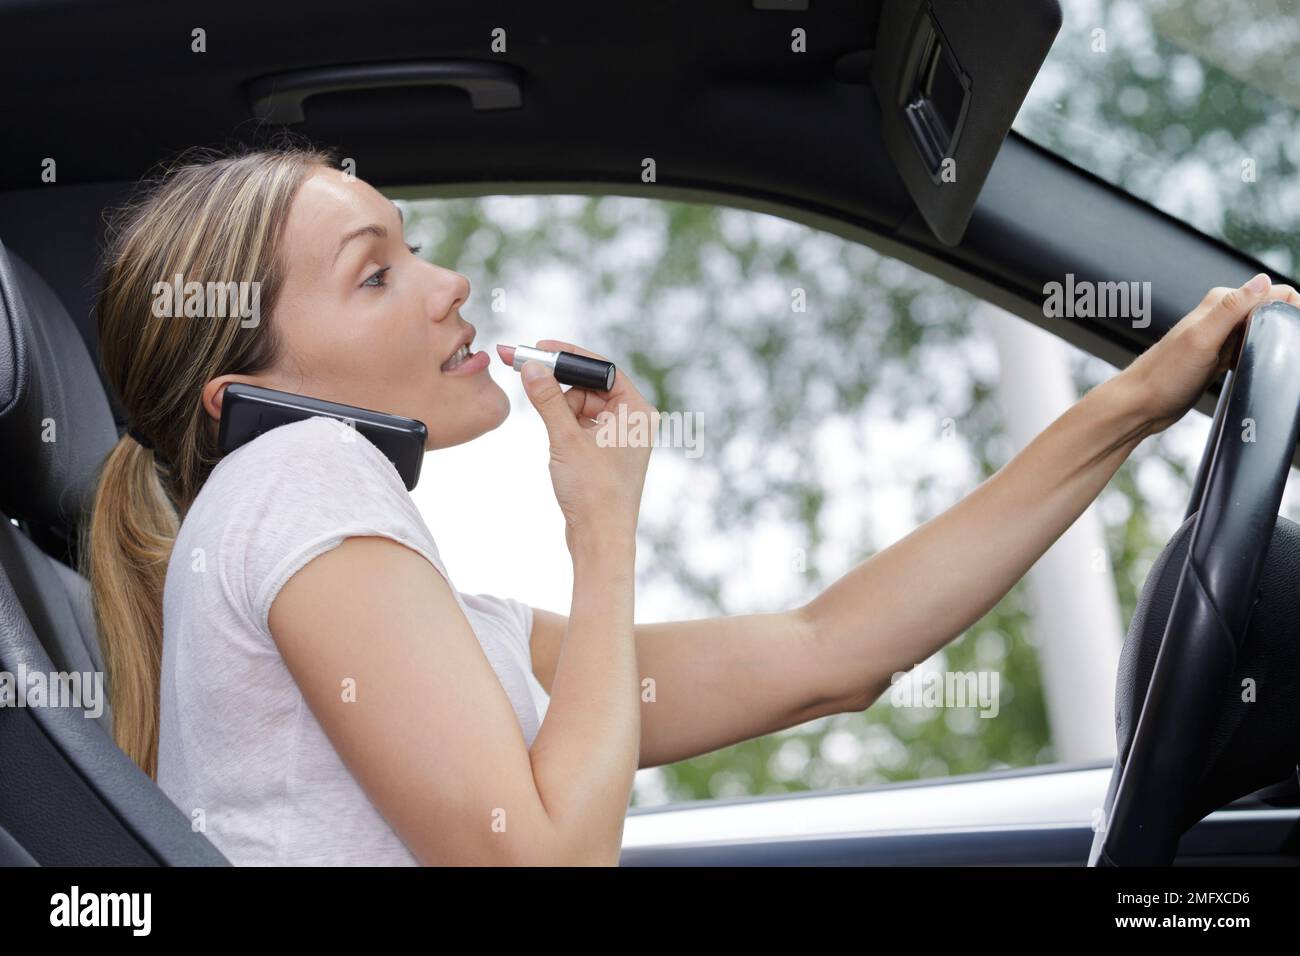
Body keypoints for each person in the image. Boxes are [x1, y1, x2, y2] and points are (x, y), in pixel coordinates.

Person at [83, 140, 1300, 865]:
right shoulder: (294, 474)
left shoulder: (434, 620)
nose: (452, 284)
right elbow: (547, 858)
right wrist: (601, 528)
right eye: (376, 273)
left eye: (417, 245)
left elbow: (830, 653)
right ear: (245, 394)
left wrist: (1133, 402)